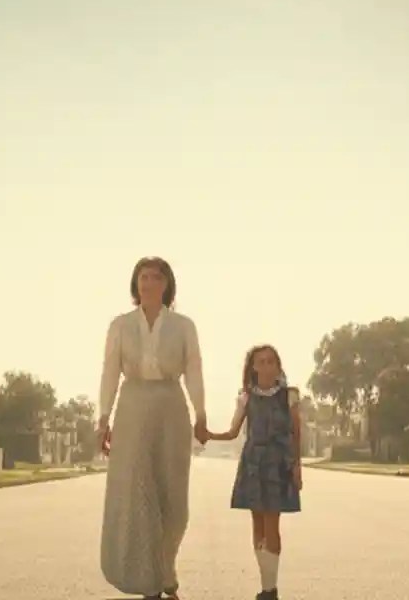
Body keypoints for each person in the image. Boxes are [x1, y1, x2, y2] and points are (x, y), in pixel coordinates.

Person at [98, 256, 208, 600]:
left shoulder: (184, 326)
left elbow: (193, 369)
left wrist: (201, 413)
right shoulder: (119, 325)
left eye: (156, 277)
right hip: (132, 407)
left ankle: (166, 570)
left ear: (167, 284)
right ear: (136, 284)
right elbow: (109, 373)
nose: (149, 283)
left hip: (170, 407)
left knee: (173, 501)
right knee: (138, 497)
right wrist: (103, 419)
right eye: (143, 277)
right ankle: (151, 583)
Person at [207, 344, 303, 600]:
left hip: (278, 463)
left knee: (273, 523)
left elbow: (296, 432)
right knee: (257, 524)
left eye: (272, 361)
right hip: (253, 463)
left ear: (278, 366)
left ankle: (271, 589)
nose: (268, 366)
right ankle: (265, 585)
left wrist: (297, 466)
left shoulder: (289, 396)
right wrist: (208, 434)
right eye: (262, 361)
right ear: (253, 367)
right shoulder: (246, 397)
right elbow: (233, 432)